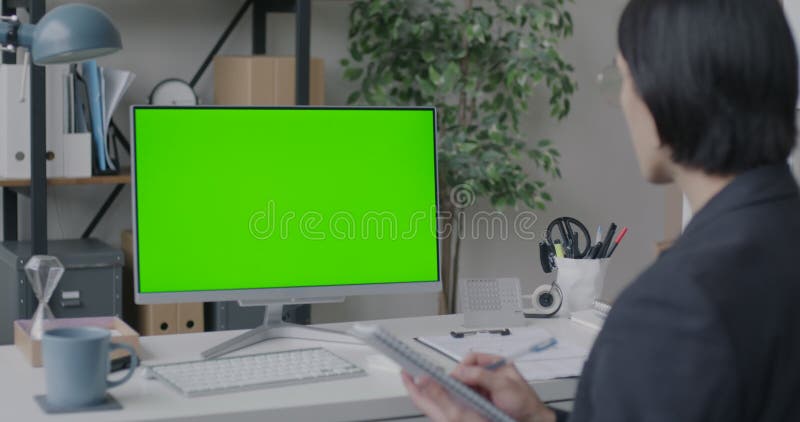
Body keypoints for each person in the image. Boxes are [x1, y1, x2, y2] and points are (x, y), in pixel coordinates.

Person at [402, 0, 800, 421]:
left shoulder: (675, 306)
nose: (624, 102)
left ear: (668, 90)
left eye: (623, 79)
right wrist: (541, 417)